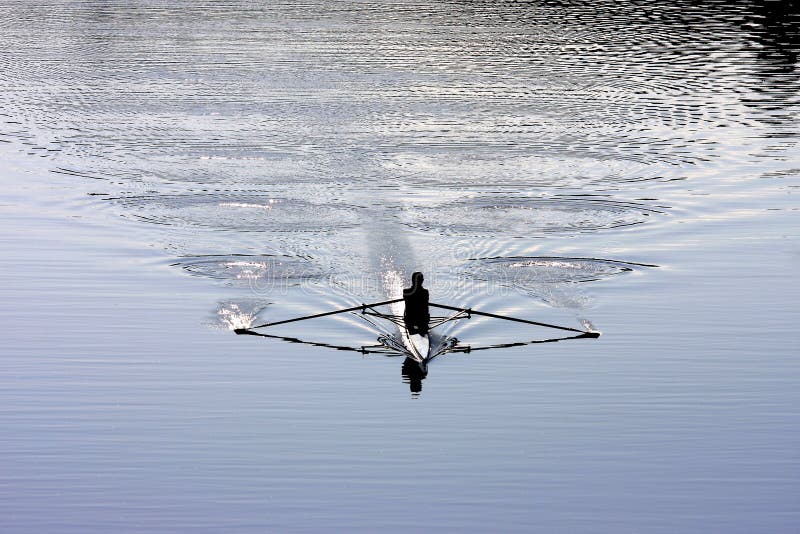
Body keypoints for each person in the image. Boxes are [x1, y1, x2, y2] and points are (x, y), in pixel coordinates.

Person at [403, 271, 429, 336]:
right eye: (421, 279)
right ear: (422, 281)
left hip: (410, 319)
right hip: (422, 320)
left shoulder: (406, 291)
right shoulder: (425, 292)